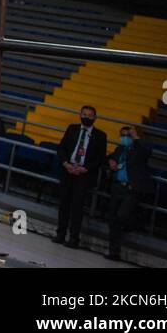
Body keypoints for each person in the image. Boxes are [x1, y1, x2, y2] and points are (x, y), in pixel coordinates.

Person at [52, 105, 107, 249]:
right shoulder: (72, 128)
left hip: (84, 175)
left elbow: (100, 158)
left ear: (95, 118)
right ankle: (60, 234)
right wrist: (66, 164)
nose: (86, 117)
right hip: (68, 170)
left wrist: (85, 168)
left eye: (90, 115)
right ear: (79, 114)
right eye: (84, 114)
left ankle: (74, 238)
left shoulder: (101, 135)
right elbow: (61, 148)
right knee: (64, 204)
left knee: (77, 207)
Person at [105, 126, 153, 261]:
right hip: (117, 187)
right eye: (123, 135)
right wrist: (111, 160)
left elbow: (147, 151)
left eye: (128, 135)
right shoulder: (120, 148)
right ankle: (114, 252)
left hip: (131, 188)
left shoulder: (140, 149)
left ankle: (139, 224)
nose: (125, 137)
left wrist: (136, 137)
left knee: (122, 215)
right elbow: (111, 157)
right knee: (113, 220)